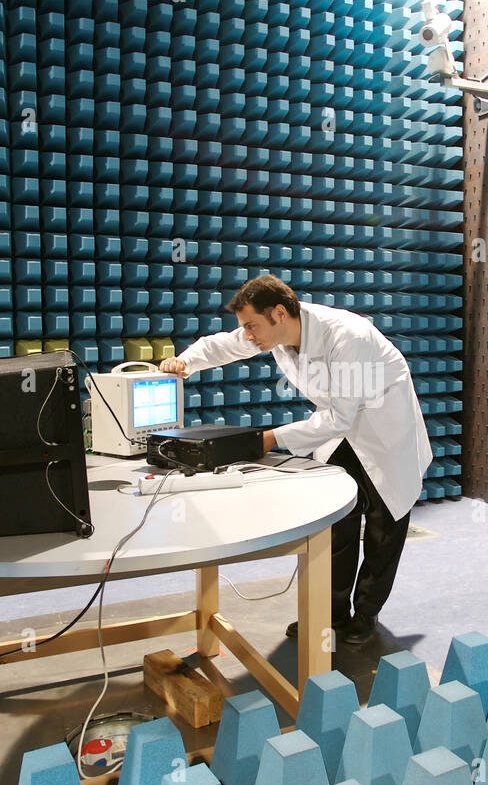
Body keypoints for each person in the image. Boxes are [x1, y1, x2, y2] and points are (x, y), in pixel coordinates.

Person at [160, 274, 432, 645]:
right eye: (245, 327)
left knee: (385, 528)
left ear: (279, 313)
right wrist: (183, 361)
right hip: (341, 429)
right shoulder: (275, 332)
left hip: (385, 430)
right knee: (337, 525)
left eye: (251, 325)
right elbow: (224, 346)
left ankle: (366, 615)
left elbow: (340, 416)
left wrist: (270, 440)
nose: (248, 334)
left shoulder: (346, 336)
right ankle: (331, 615)